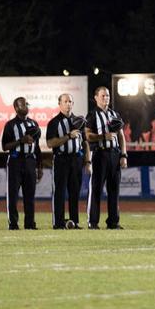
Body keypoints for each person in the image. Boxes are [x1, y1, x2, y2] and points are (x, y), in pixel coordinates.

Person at [85, 86, 128, 230]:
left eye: (108, 95)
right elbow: (87, 136)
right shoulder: (92, 115)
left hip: (114, 154)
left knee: (114, 189)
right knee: (96, 189)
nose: (106, 98)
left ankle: (113, 222)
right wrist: (103, 136)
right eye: (103, 96)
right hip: (100, 154)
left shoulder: (114, 114)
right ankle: (93, 222)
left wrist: (123, 155)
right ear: (96, 98)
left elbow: (121, 136)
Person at [46, 93, 90, 229]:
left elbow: (85, 143)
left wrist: (88, 162)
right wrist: (68, 136)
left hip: (76, 159)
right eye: (65, 101)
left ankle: (74, 222)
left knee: (74, 192)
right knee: (59, 192)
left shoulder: (79, 121)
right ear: (59, 104)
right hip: (61, 159)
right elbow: (50, 143)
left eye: (70, 101)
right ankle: (58, 223)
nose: (68, 104)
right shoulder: (54, 122)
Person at [2, 97, 43, 230]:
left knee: (30, 194)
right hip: (15, 160)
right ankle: (13, 224)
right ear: (16, 107)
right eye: (23, 104)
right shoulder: (10, 125)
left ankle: (30, 223)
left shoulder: (34, 124)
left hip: (30, 160)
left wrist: (40, 166)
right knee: (13, 195)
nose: (27, 106)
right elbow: (5, 146)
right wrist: (20, 141)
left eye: (27, 104)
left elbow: (37, 148)